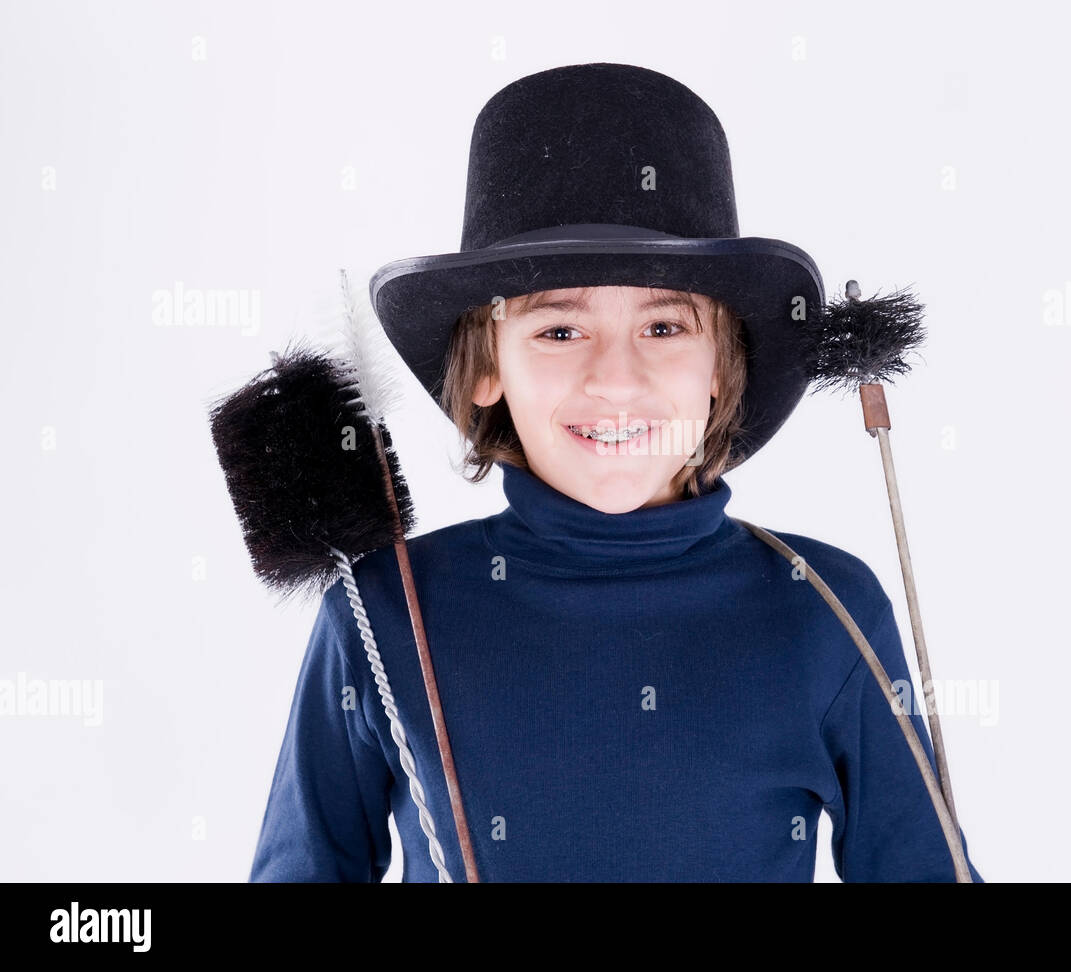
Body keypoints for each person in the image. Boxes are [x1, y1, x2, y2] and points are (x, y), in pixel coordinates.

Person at [249, 62, 983, 882]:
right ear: (487, 364)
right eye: (560, 332)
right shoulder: (384, 613)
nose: (617, 379)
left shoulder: (826, 610)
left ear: (721, 365)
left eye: (665, 327)